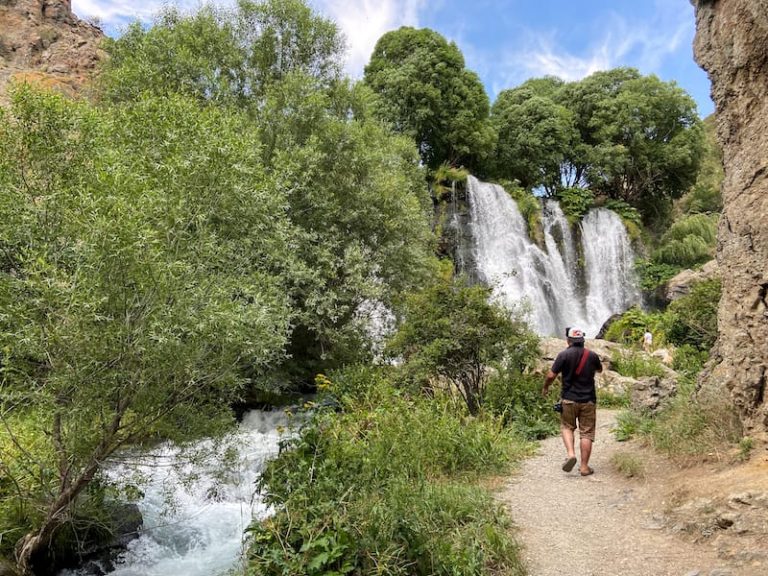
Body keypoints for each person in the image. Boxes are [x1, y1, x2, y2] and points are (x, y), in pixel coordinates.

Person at [542, 327, 603, 476]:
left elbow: (551, 375)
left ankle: (570, 454)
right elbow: (599, 370)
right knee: (587, 433)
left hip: (568, 399)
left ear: (568, 340)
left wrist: (545, 388)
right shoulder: (592, 355)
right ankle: (584, 467)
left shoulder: (563, 355)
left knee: (567, 427)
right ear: (583, 340)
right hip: (588, 400)